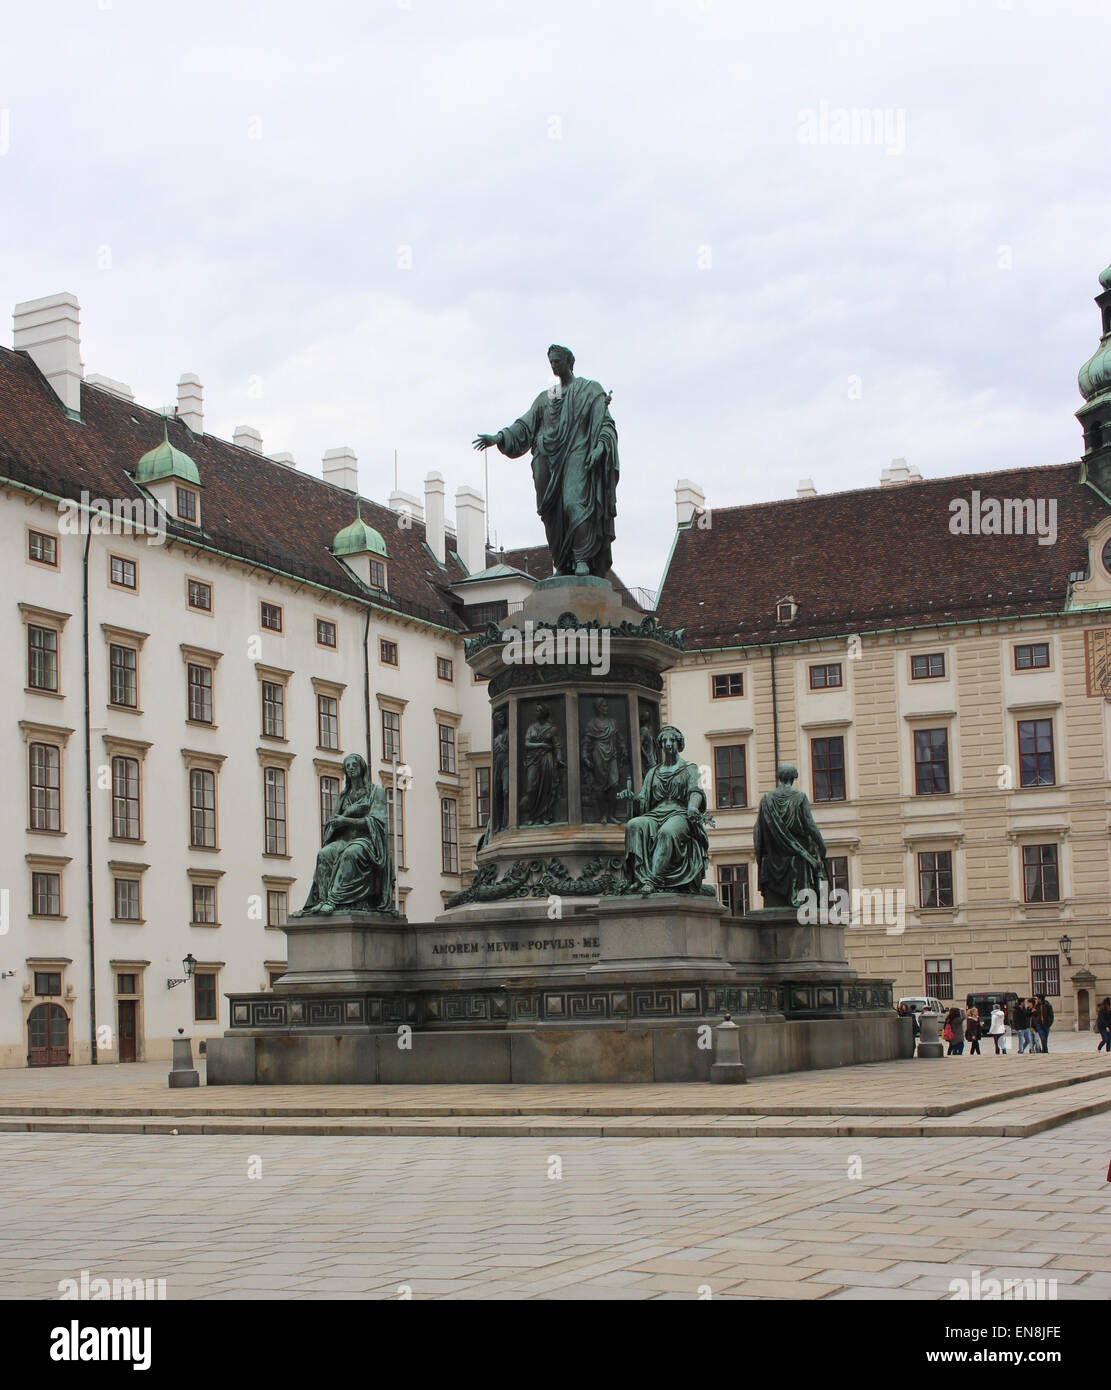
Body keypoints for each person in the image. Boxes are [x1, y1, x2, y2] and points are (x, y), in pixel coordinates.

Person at [473, 344, 619, 578]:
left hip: (578, 453)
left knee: (573, 503)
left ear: (569, 362)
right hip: (548, 460)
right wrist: (499, 437)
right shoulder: (549, 396)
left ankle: (581, 557)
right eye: (550, 362)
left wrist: (600, 447)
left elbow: (605, 424)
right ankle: (562, 561)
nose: (553, 365)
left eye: (557, 361)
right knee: (551, 512)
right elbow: (525, 423)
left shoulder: (590, 390)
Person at [293, 753, 394, 915]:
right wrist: (348, 813)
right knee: (324, 854)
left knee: (351, 854)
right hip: (345, 839)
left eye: (354, 765)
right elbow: (333, 824)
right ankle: (322, 900)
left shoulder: (377, 793)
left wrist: (347, 820)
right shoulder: (343, 796)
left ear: (361, 768)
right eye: (347, 766)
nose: (351, 768)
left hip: (367, 842)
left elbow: (377, 823)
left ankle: (333, 900)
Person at [619, 725, 710, 893]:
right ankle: (640, 878)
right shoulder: (653, 772)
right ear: (660, 745)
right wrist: (632, 798)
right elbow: (643, 800)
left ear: (679, 743)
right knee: (634, 825)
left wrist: (692, 807)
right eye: (665, 741)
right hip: (655, 814)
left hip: (679, 814)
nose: (668, 744)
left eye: (672, 740)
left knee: (667, 832)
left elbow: (696, 792)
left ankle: (653, 880)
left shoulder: (690, 768)